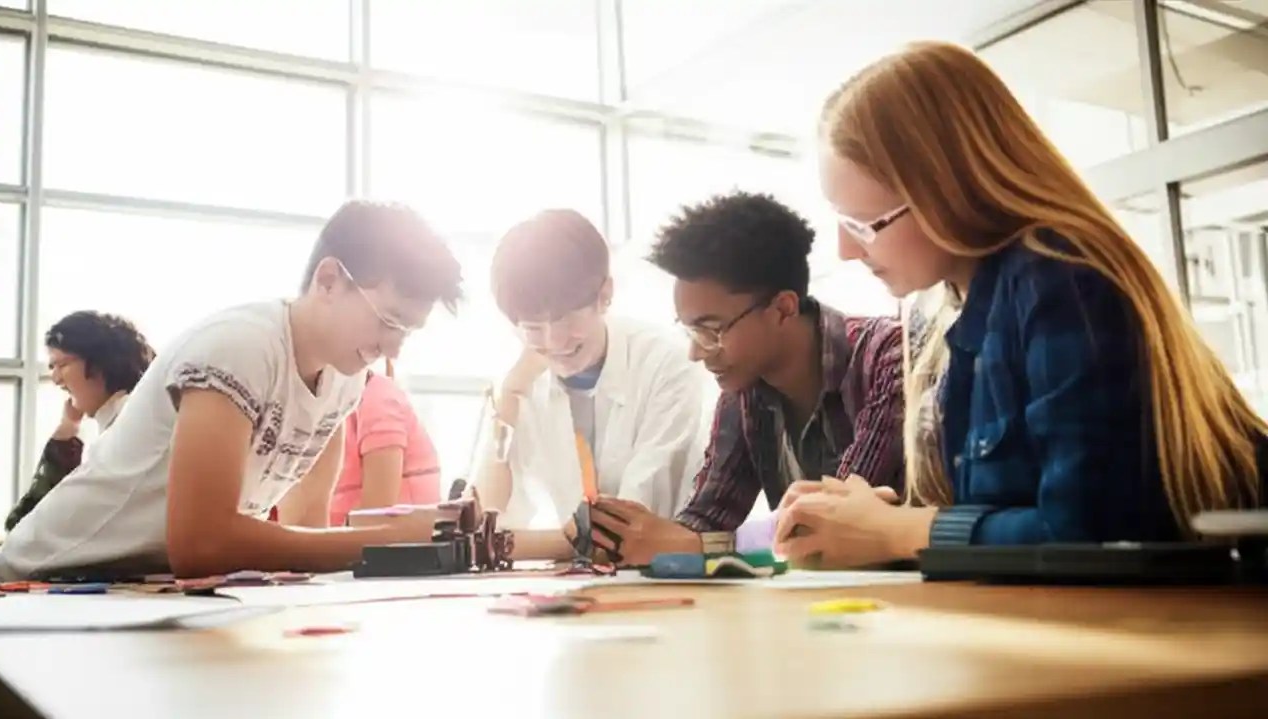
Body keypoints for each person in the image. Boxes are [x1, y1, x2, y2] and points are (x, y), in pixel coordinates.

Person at [775, 41, 1267, 568]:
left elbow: (1088, 529)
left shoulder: (1058, 275)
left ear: (948, 189)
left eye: (861, 223)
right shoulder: (948, 313)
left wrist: (903, 530)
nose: (847, 250)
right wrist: (876, 524)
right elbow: (1009, 521)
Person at [0, 200, 465, 582]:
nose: (393, 349)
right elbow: (202, 544)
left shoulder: (346, 379)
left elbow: (305, 525)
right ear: (328, 280)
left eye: (408, 331)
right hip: (46, 578)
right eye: (389, 321)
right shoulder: (239, 347)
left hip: (143, 587)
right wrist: (391, 537)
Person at [589, 191, 904, 566]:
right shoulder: (743, 390)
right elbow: (705, 521)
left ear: (782, 308)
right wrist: (631, 534)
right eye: (690, 332)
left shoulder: (886, 357)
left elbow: (833, 521)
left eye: (711, 331)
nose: (696, 352)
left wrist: (690, 546)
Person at [472, 208, 705, 558]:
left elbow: (624, 530)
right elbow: (483, 518)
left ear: (605, 294)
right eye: (533, 326)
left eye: (564, 318)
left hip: (665, 577)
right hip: (582, 584)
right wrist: (507, 401)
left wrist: (505, 546)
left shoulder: (665, 364)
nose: (553, 340)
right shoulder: (520, 381)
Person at [4, 312, 155, 531]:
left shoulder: (126, 430)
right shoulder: (132, 415)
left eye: (62, 365)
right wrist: (69, 428)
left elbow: (28, 520)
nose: (55, 379)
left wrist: (65, 436)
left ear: (101, 362)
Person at [327, 364, 441, 527]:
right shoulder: (322, 406)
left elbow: (375, 519)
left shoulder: (376, 398)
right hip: (343, 543)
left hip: (396, 546)